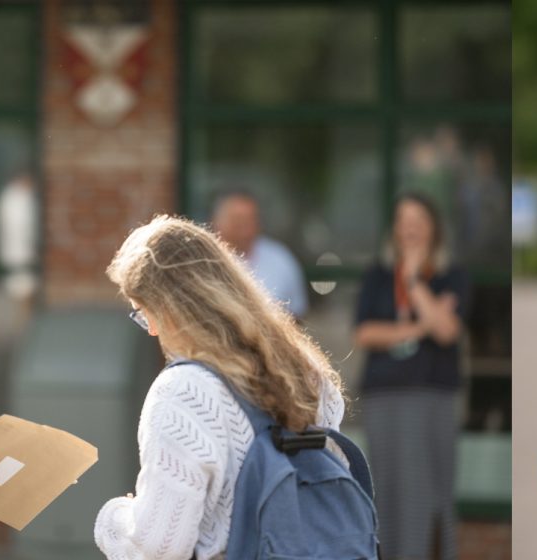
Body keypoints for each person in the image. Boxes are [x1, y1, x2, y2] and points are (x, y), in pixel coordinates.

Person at [93, 216, 353, 559]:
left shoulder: (183, 392)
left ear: (171, 308)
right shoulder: (303, 368)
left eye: (144, 313)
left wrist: (114, 520)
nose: (151, 330)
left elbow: (162, 547)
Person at [351, 193, 470, 559]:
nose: (411, 227)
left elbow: (448, 332)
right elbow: (364, 333)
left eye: (418, 218)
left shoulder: (452, 275)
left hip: (433, 396)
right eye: (403, 219)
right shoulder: (377, 275)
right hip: (384, 396)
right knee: (385, 488)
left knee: (430, 490)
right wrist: (422, 327)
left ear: (434, 227)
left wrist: (415, 280)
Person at [209, 189, 311, 318]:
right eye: (237, 221)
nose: (245, 229)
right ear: (215, 222)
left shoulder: (280, 259)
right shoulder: (200, 258)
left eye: (251, 220)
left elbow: (297, 316)